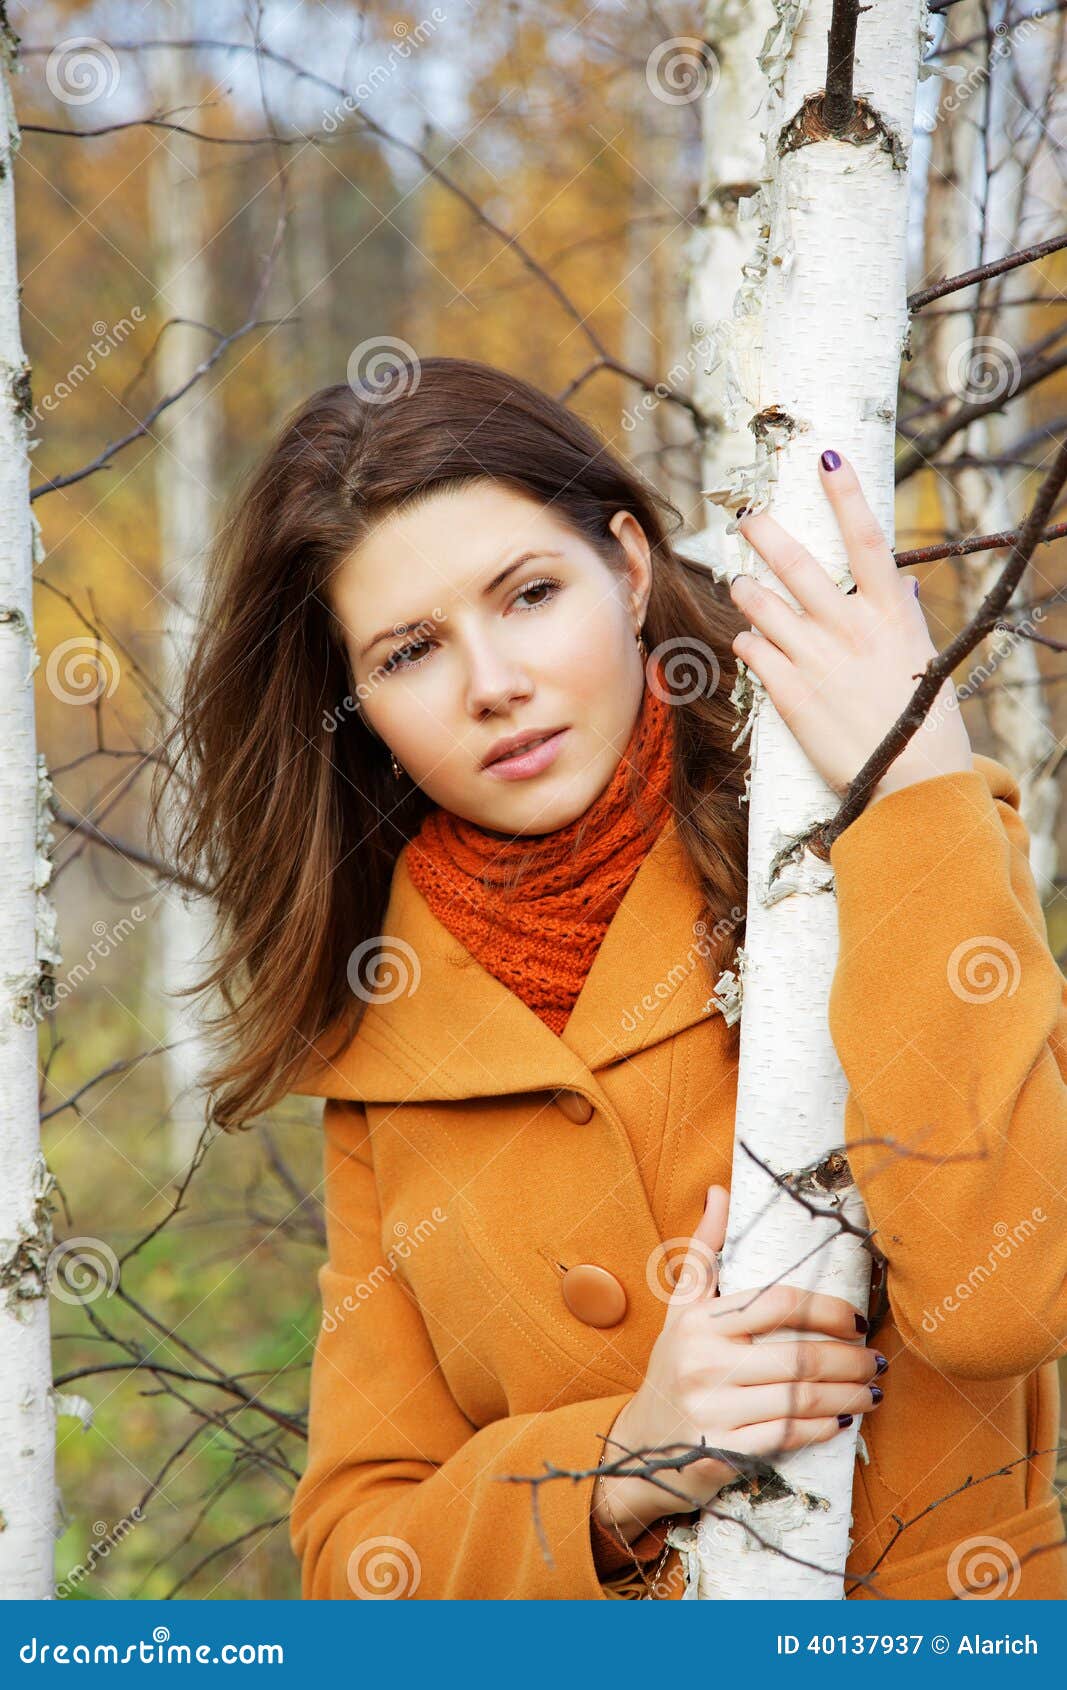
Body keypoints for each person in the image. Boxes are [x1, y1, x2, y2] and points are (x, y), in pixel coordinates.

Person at [158, 355, 1067, 1600]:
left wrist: (912, 791)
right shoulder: (384, 1028)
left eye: (528, 593)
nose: (492, 686)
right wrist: (622, 1464)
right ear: (353, 701)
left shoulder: (866, 845)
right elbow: (355, 1562)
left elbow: (999, 1304)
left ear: (629, 569)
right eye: (410, 650)